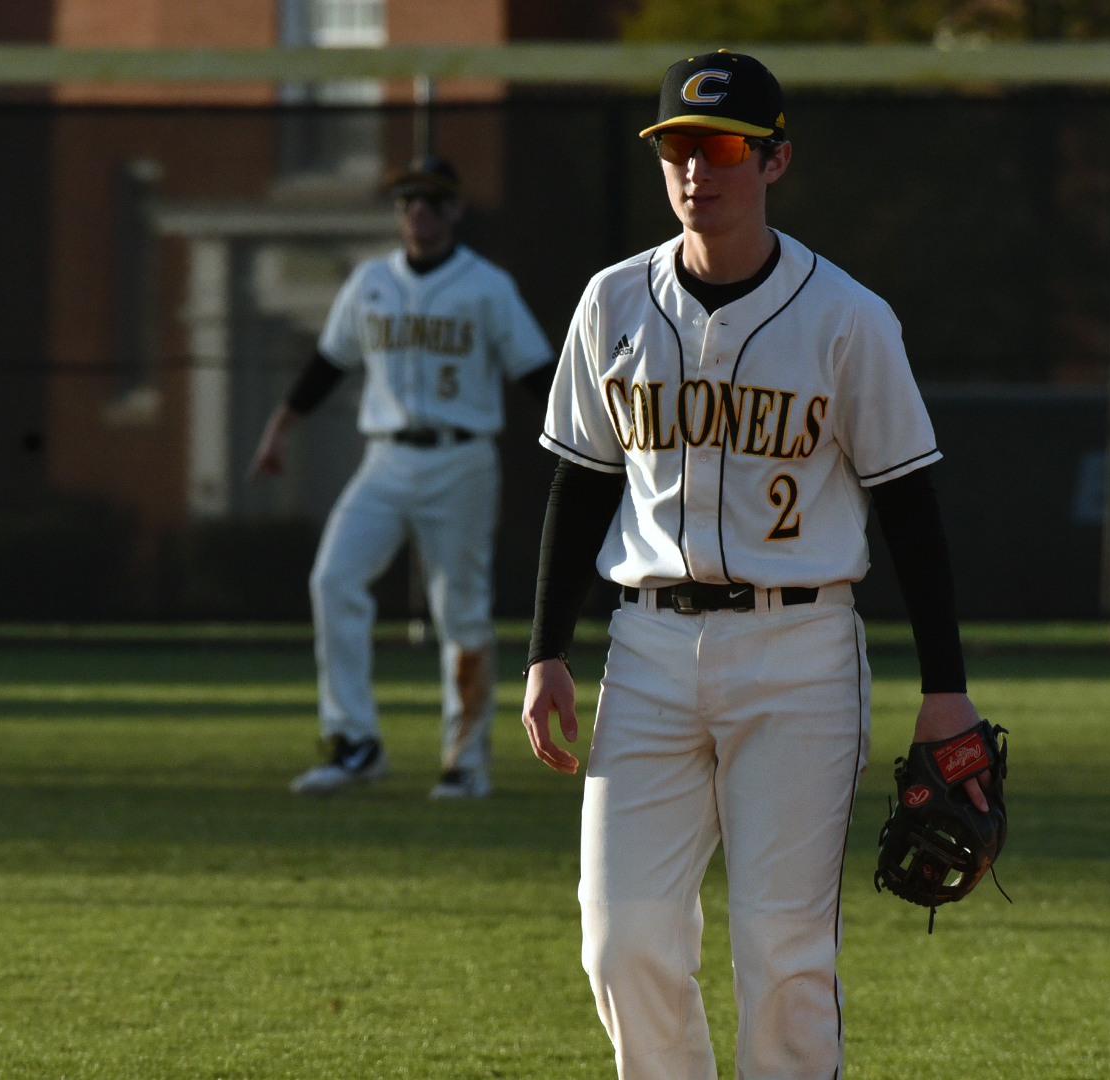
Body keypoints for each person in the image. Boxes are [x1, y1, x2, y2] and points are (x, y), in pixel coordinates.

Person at [519, 51, 991, 1079]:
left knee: (782, 952)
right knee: (623, 940)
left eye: (725, 147)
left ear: (775, 162)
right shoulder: (612, 303)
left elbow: (909, 504)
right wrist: (546, 651)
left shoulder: (847, 318)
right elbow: (582, 481)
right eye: (679, 148)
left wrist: (946, 690)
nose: (700, 170)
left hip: (801, 648)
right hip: (644, 647)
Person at [250, 155, 556, 800]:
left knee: (460, 611)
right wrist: (280, 427)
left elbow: (537, 372)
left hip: (462, 457)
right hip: (385, 457)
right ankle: (355, 742)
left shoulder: (486, 286)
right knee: (333, 579)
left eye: (432, 199)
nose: (418, 210)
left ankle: (466, 762)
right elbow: (329, 363)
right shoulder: (369, 282)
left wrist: (583, 443)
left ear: (455, 210)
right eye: (408, 199)